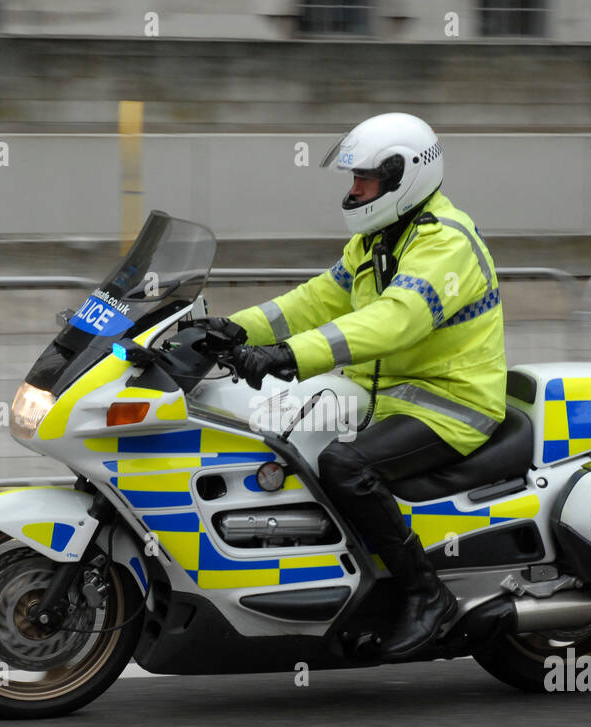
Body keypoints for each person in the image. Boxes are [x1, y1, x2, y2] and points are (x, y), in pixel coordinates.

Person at [205, 112, 507, 660]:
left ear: (402, 176)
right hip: (387, 393)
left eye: (364, 180)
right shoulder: (379, 240)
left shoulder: (445, 243)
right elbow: (317, 299)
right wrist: (230, 329)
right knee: (269, 426)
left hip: (450, 403)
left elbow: (395, 320)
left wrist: (289, 355)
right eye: (353, 179)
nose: (354, 191)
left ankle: (427, 594)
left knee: (346, 465)